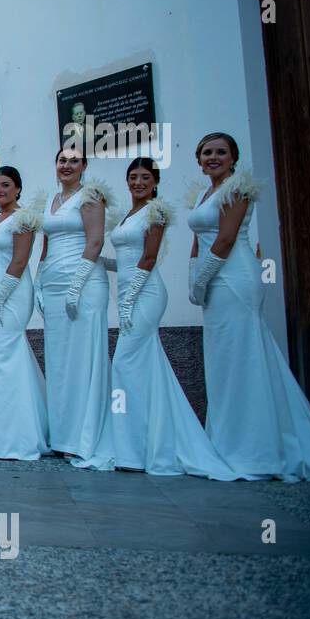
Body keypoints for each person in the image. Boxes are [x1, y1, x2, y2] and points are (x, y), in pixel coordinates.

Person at [75, 157, 233, 478]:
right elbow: (128, 260)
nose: (138, 182)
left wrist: (130, 297)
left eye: (145, 177)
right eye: (133, 177)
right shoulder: (126, 216)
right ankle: (142, 442)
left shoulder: (156, 212)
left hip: (146, 294)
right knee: (145, 366)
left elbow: (148, 258)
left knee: (123, 363)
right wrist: (100, 263)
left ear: (155, 181)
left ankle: (136, 448)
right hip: (131, 292)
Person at [187, 132, 310, 481]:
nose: (213, 157)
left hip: (235, 277)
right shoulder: (203, 194)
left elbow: (227, 238)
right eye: (206, 153)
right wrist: (193, 277)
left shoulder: (238, 187)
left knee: (244, 355)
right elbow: (197, 241)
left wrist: (203, 279)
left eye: (221, 152)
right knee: (223, 360)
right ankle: (226, 441)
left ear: (233, 157)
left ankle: (255, 450)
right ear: (199, 160)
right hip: (211, 276)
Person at [35, 146, 113, 459]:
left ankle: (86, 438)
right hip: (53, 285)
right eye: (62, 160)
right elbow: (46, 244)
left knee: (83, 357)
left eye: (74, 161)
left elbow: (95, 241)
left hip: (84, 284)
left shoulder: (91, 196)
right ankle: (64, 437)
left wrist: (77, 285)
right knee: (60, 361)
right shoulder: (50, 201)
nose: (67, 166)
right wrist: (39, 281)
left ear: (84, 165)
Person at [0, 167, 50, 460]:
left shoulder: (24, 218)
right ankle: (2, 431)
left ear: (18, 189)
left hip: (13, 293)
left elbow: (20, 260)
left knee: (8, 356)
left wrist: (0, 298)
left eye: (5, 185)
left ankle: (19, 437)